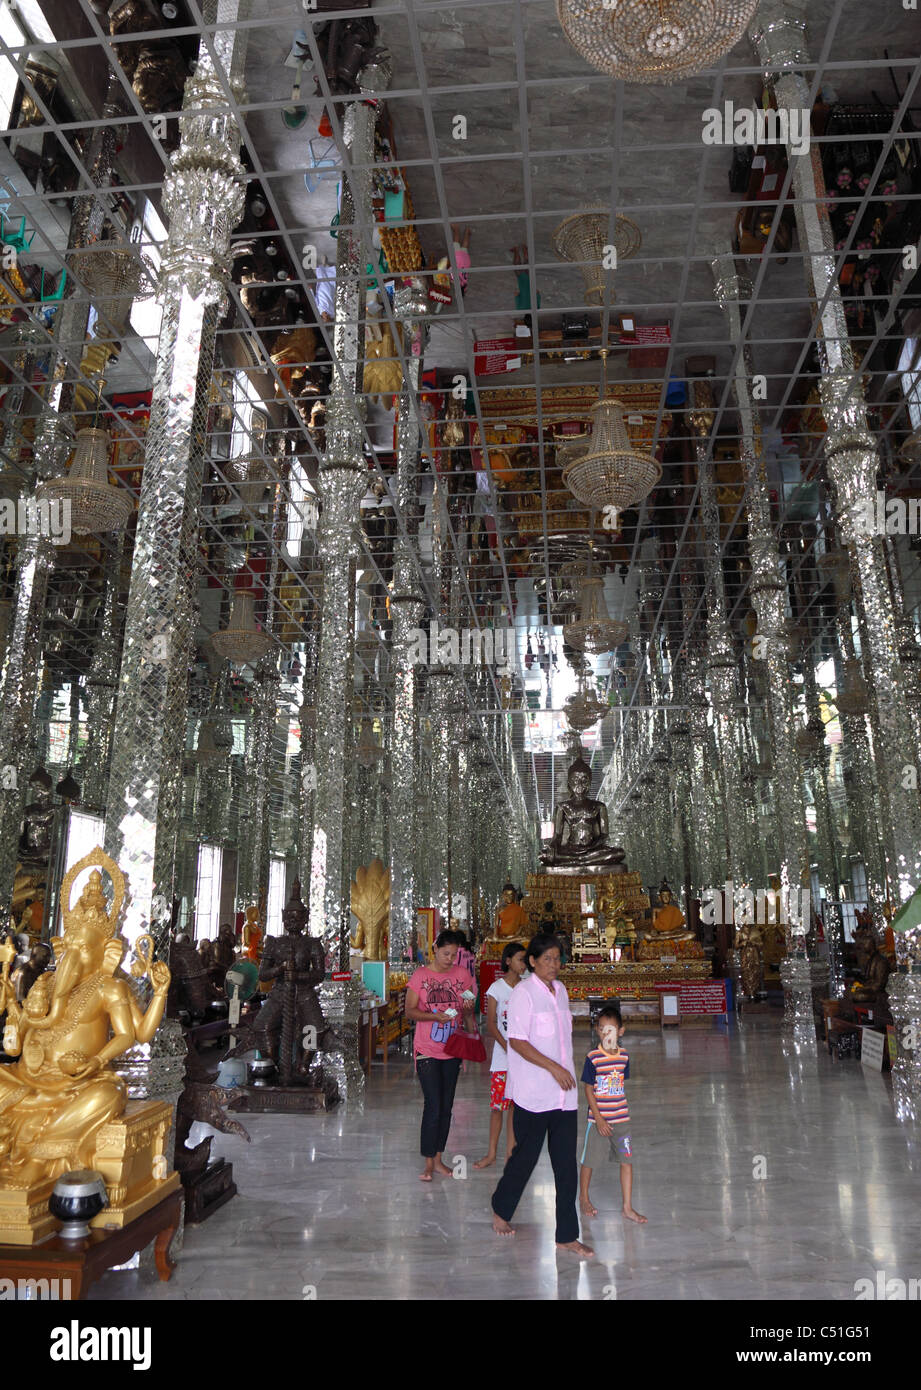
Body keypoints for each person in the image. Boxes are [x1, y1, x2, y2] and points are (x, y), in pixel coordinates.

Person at [490, 933, 593, 1257]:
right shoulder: (524, 994)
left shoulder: (561, 991)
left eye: (558, 958)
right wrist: (553, 1068)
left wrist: (564, 1072)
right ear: (532, 962)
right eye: (547, 958)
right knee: (526, 1158)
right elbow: (518, 1042)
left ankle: (566, 1234)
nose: (554, 964)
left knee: (565, 1166)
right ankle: (501, 1208)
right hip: (533, 1094)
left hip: (563, 1096)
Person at [406, 929, 476, 1182]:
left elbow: (469, 1009)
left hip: (453, 1049)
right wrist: (434, 1016)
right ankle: (427, 1161)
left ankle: (438, 1159)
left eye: (454, 954)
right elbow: (410, 1011)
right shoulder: (421, 976)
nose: (450, 958)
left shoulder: (462, 976)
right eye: (446, 953)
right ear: (435, 949)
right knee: (433, 1105)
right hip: (427, 1049)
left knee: (446, 1107)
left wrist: (468, 1011)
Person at [579, 1004, 646, 1224]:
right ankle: (584, 1198)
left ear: (621, 1032)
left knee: (627, 1161)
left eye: (612, 1030)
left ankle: (627, 1207)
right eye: (603, 1029)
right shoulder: (593, 1058)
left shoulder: (624, 1057)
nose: (607, 1034)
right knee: (590, 1161)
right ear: (597, 1031)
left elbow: (620, 1086)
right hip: (599, 1121)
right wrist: (598, 1119)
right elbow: (588, 1089)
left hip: (621, 1120)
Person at [474, 941, 527, 1170]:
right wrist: (507, 1046)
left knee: (515, 1108)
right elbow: (491, 1024)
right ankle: (491, 1153)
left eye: (526, 960)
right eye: (520, 959)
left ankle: (510, 1154)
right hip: (502, 1058)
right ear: (508, 961)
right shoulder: (497, 988)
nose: (524, 964)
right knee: (497, 1107)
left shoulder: (527, 987)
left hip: (524, 1057)